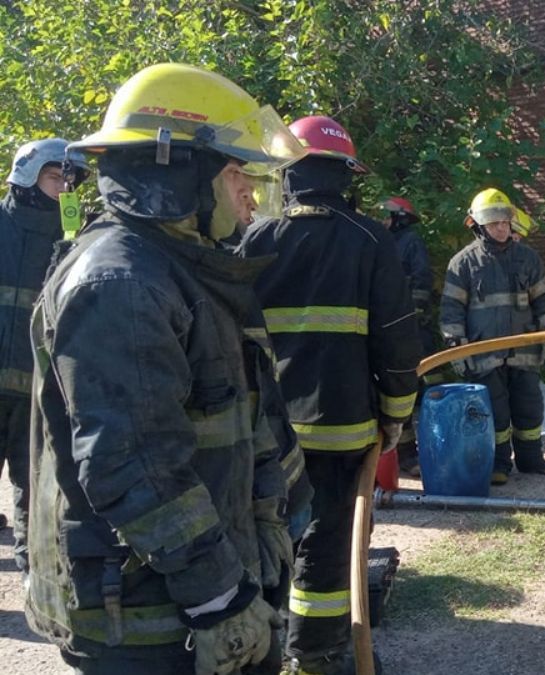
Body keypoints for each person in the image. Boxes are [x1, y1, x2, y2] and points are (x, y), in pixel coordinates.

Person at [24, 63, 308, 674]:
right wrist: (219, 599)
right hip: (151, 622)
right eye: (237, 173)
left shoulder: (186, 266)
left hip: (202, 587)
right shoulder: (122, 282)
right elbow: (135, 465)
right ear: (176, 174)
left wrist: (270, 531)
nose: (251, 195)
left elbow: (242, 419)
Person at [239, 115, 421, 675]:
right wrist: (394, 419)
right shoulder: (371, 240)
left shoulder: (255, 239)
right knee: (328, 539)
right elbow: (397, 344)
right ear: (346, 175)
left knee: (265, 531)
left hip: (264, 432)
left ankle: (265, 645)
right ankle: (317, 653)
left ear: (289, 174)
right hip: (343, 427)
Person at [0, 137, 87, 576]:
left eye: (70, 181)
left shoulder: (72, 233)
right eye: (57, 177)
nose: (64, 189)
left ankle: (32, 571)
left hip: (37, 388)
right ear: (28, 177)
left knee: (33, 486)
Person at [441, 188, 545, 486]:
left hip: (524, 350)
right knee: (495, 411)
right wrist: (458, 350)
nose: (501, 228)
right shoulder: (463, 263)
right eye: (494, 223)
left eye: (505, 222)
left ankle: (532, 460)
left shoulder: (527, 258)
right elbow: (451, 312)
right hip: (484, 355)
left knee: (529, 407)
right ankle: (498, 464)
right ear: (479, 225)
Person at [381, 196, 434, 477]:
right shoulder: (380, 241)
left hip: (411, 330)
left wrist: (410, 317)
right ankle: (396, 456)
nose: (383, 220)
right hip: (386, 329)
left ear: (400, 218)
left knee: (413, 392)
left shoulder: (410, 242)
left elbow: (422, 281)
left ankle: (412, 454)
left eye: (388, 215)